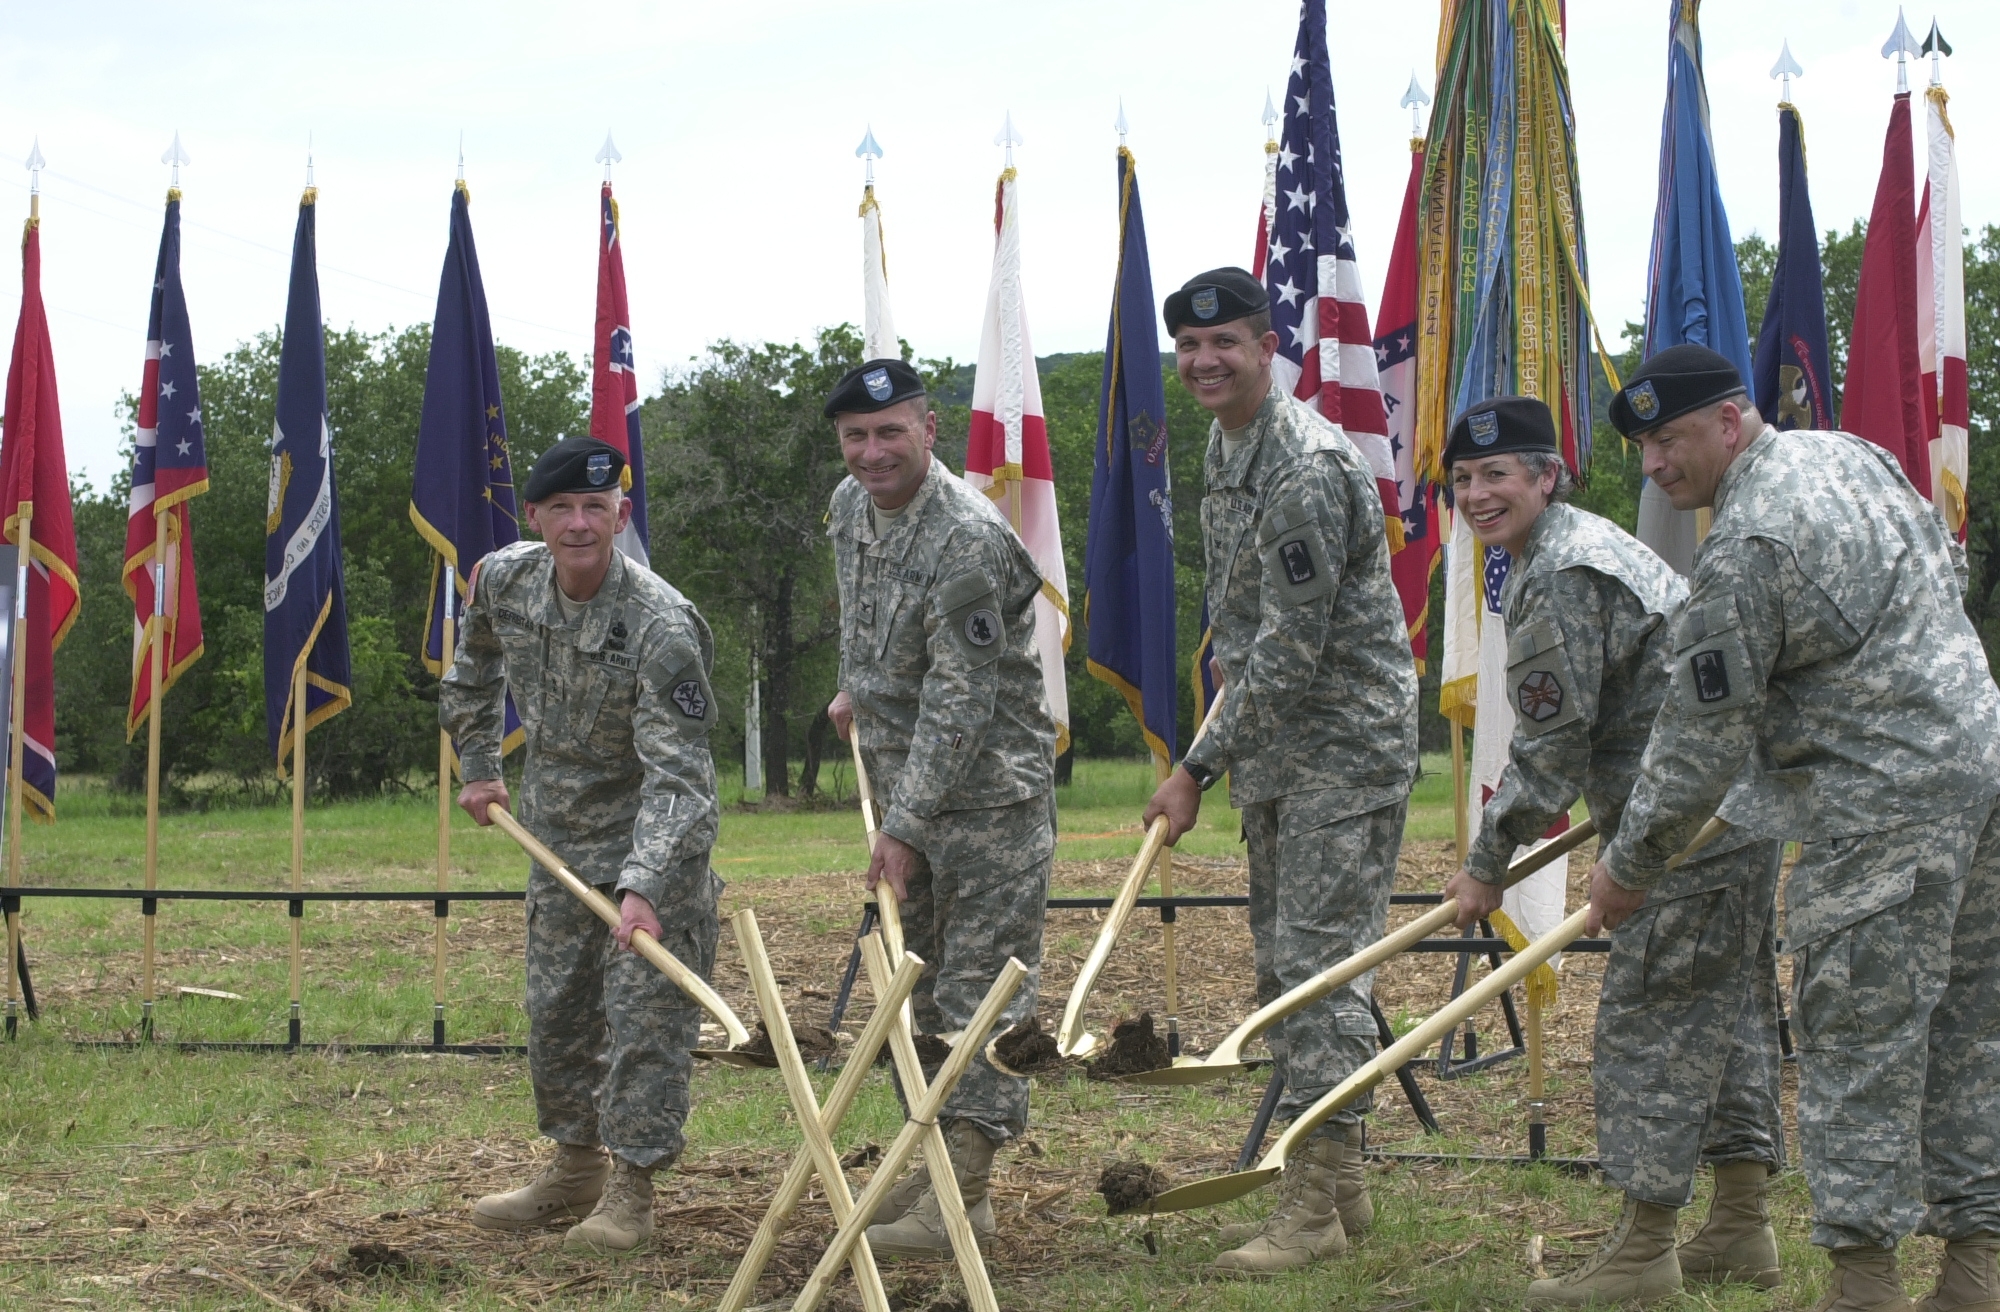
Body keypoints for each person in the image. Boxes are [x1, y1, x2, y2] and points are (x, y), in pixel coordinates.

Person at [1590, 344, 2000, 1312]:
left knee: (1857, 1041)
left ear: (1729, 422)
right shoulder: (1851, 453)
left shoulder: (1744, 547)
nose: (1653, 465)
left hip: (1877, 808)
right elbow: (1937, 569)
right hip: (1975, 770)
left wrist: (1629, 862)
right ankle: (1973, 1271)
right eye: (1643, 446)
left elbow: (1697, 738)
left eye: (1669, 439)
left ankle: (1862, 1285)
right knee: (1966, 1033)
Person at [1434, 396, 1787, 1306]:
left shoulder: (1555, 571)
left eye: (1499, 474)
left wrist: (1486, 862)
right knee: (1729, 1011)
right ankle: (1742, 1227)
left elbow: (1549, 751)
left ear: (1547, 476)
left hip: (1681, 824)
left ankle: (1644, 1248)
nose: (1478, 494)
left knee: (1650, 1022)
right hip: (1727, 806)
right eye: (1464, 480)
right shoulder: (1582, 543)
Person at [1142, 268, 1418, 1275]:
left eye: (1226, 344)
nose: (1205, 362)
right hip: (1281, 747)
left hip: (1337, 746)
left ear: (1268, 347)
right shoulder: (1226, 448)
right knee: (1289, 970)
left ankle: (1305, 1207)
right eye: (1190, 348)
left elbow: (1289, 657)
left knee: (1319, 975)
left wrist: (1194, 770)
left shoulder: (1302, 465)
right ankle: (1339, 1197)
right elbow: (1248, 639)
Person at [443, 436, 723, 1256]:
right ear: (534, 517)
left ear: (619, 517)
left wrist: (645, 885)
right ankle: (574, 1167)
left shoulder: (659, 624)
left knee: (644, 1018)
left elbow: (681, 778)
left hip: (654, 840)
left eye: (595, 509)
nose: (577, 525)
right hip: (555, 833)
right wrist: (482, 766)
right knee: (558, 1010)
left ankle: (631, 1194)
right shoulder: (504, 579)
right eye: (561, 509)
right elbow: (471, 671)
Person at [820, 357, 1057, 1261]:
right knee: (914, 994)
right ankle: (931, 1169)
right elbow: (868, 616)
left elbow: (964, 695)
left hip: (987, 798)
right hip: (902, 786)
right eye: (855, 437)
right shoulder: (849, 509)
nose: (873, 452)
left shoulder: (965, 535)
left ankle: (968, 1191)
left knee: (982, 995)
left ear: (929, 431)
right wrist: (858, 687)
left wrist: (907, 827)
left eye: (890, 433)